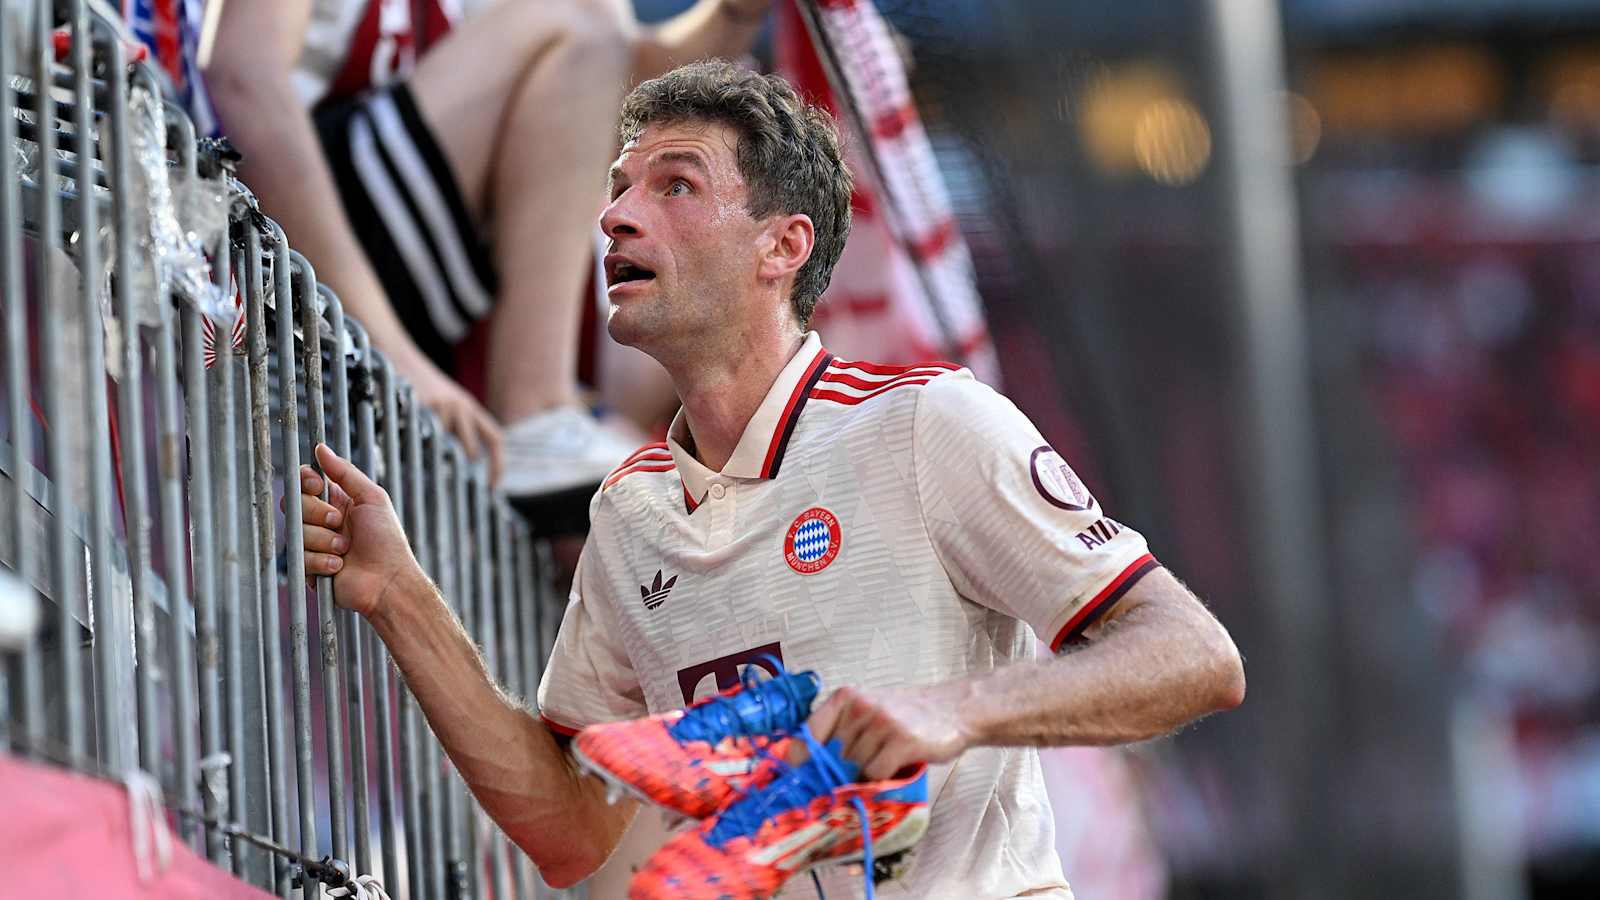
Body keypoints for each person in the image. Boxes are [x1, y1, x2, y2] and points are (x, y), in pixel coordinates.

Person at [296, 61, 1245, 896]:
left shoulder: (925, 422)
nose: (615, 214)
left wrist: (952, 711)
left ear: (782, 248)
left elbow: (1198, 657)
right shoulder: (627, 512)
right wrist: (401, 599)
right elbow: (569, 830)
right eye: (619, 188)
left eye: (675, 186)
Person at [206, 0, 774, 501]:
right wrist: (394, 352)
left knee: (679, 307)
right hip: (284, 240)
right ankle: (536, 411)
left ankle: (550, 425)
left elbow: (618, 78)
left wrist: (736, 14)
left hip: (409, 256)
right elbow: (243, 77)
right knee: (582, 21)